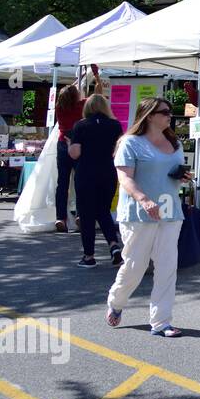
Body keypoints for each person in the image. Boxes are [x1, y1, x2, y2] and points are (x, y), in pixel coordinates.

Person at [106, 97, 189, 338]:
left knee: (167, 266)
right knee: (135, 265)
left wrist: (181, 177)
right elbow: (125, 178)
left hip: (170, 211)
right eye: (164, 112)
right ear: (150, 115)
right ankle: (116, 301)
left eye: (170, 112)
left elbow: (170, 172)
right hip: (138, 213)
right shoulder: (130, 143)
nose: (169, 116)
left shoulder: (174, 143)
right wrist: (143, 199)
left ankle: (161, 321)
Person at [66, 94, 124, 268]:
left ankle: (89, 255)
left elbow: (75, 153)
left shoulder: (81, 126)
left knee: (87, 214)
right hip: (108, 171)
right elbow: (118, 150)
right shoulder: (115, 125)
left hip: (86, 172)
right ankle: (113, 245)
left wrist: (70, 144)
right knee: (103, 211)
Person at [53, 83, 85, 232]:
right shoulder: (81, 106)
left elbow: (67, 94)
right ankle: (80, 214)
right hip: (78, 145)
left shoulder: (59, 108)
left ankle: (61, 218)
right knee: (80, 181)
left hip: (62, 144)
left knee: (62, 184)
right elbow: (97, 94)